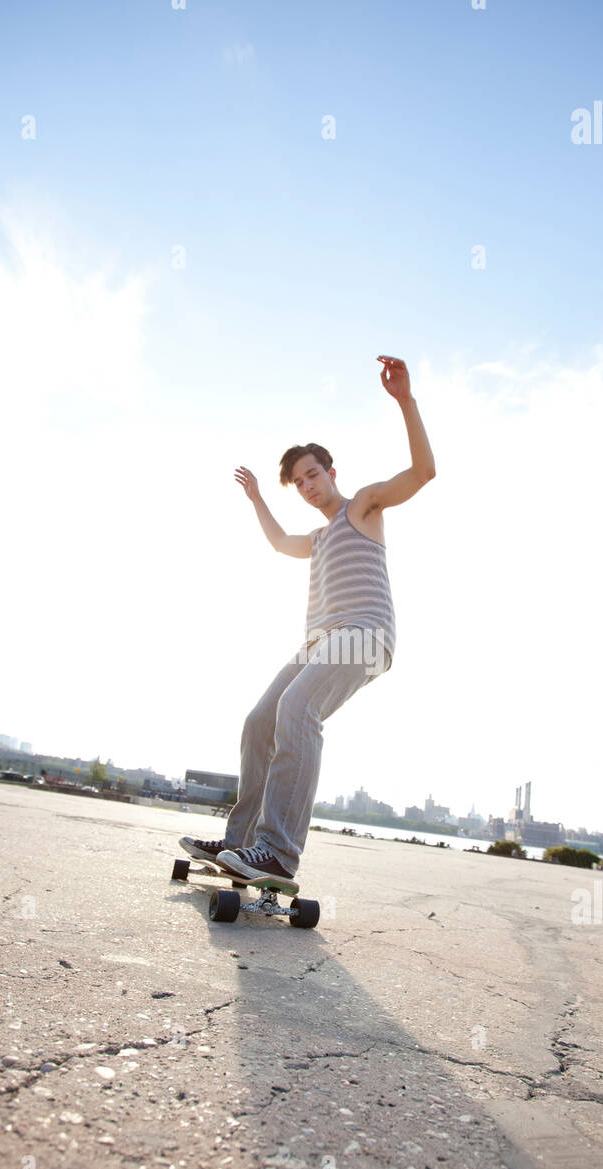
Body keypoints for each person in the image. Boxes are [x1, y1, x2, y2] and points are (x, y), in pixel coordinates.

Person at [180, 356, 435, 883]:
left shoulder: (363, 507)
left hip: (365, 633)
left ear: (331, 471)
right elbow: (277, 543)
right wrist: (256, 498)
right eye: (298, 482)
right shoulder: (316, 540)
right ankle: (240, 844)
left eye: (313, 474)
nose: (307, 485)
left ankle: (277, 851)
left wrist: (406, 401)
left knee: (298, 709)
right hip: (320, 642)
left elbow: (422, 473)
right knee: (259, 722)